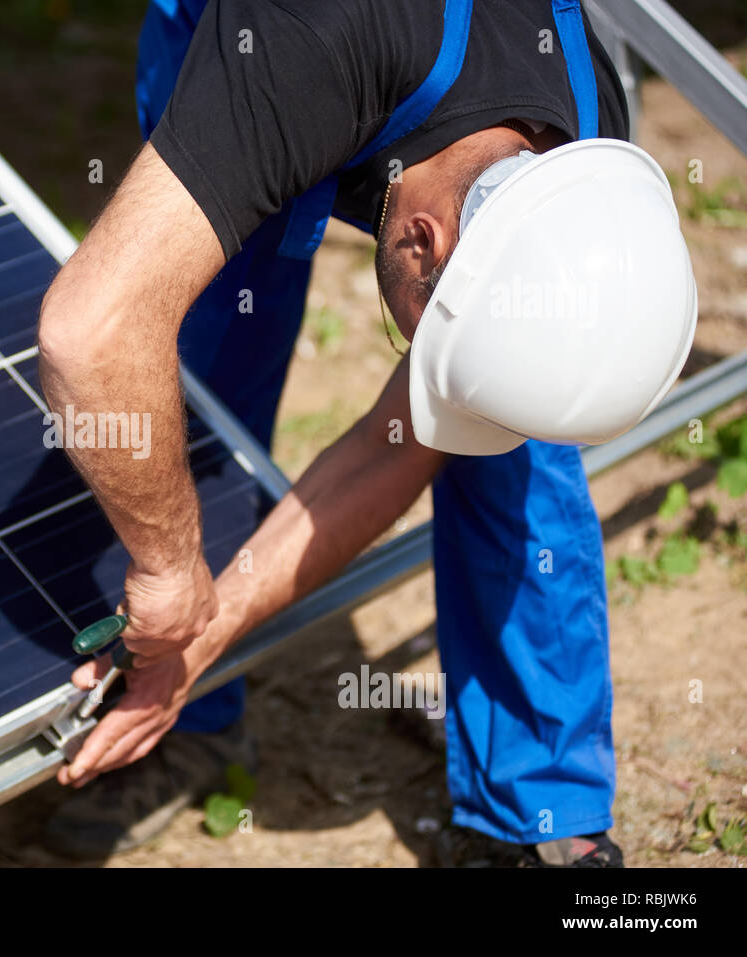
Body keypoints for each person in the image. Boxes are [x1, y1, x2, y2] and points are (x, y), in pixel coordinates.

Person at [36, 0, 695, 866]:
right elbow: (90, 332)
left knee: (524, 407)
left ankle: (541, 813)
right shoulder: (293, 43)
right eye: (424, 335)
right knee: (207, 344)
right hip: (257, 40)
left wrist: (210, 622)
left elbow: (410, 436)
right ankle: (196, 727)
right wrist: (166, 568)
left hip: (380, 73)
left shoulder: (582, 151)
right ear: (424, 238)